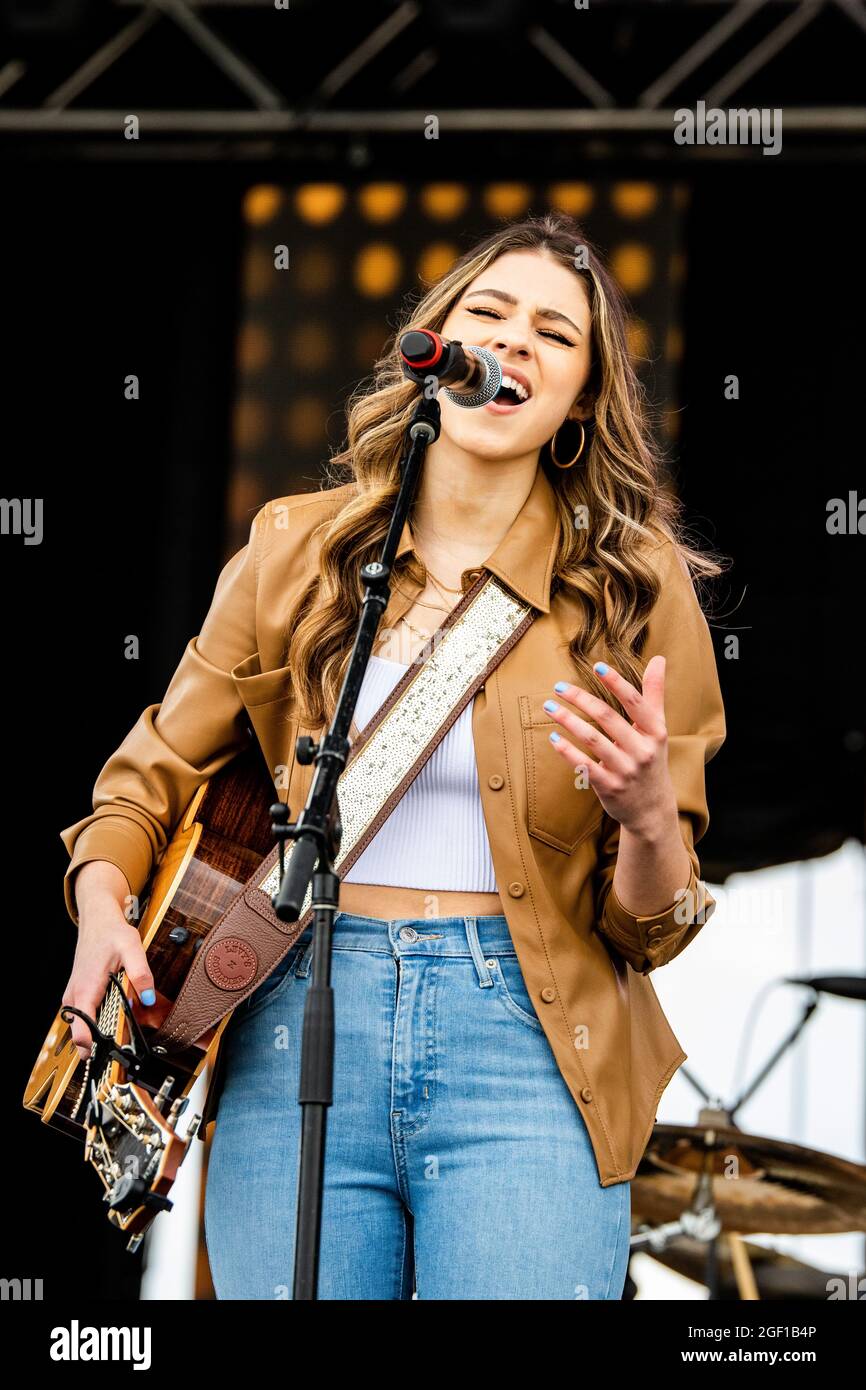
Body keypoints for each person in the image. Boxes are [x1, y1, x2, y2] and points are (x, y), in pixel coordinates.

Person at [60, 212, 727, 1300]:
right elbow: (143, 782)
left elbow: (651, 925)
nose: (511, 346)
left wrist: (649, 819)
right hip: (295, 1011)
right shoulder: (295, 548)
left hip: (528, 1036)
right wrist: (100, 906)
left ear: (575, 405)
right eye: (487, 316)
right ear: (433, 350)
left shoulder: (633, 584)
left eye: (552, 336)